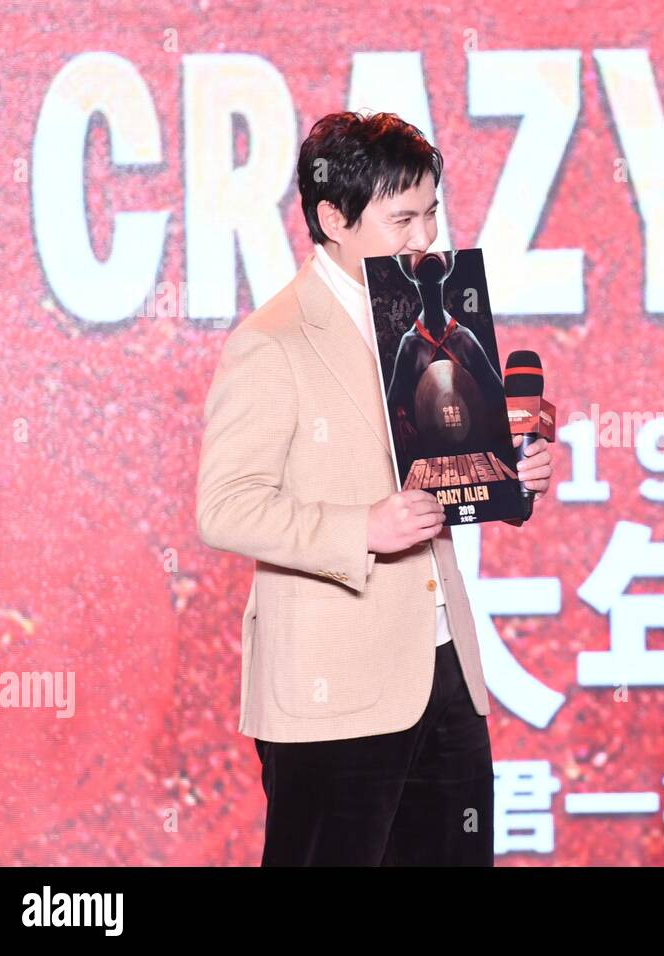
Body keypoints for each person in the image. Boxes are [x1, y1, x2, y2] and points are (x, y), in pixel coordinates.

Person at [196, 111, 553, 865]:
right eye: (402, 218)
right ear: (333, 217)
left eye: (430, 211)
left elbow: (447, 476)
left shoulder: (438, 318)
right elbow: (225, 506)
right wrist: (361, 526)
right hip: (332, 689)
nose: (424, 237)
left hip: (443, 668)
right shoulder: (273, 340)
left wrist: (510, 477)